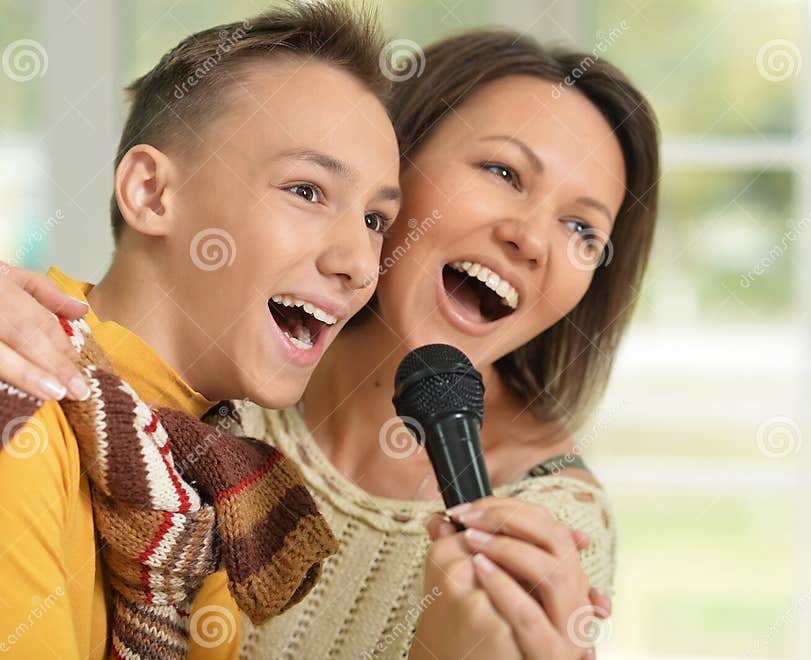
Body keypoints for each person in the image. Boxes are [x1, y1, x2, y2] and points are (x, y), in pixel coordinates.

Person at [0, 18, 660, 660]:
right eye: (309, 191)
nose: (534, 238)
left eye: (584, 230)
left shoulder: (220, 468)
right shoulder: (84, 404)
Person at [0, 3, 403, 657]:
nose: (359, 263)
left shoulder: (213, 486)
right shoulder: (21, 408)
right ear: (152, 193)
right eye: (306, 190)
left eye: (376, 220)